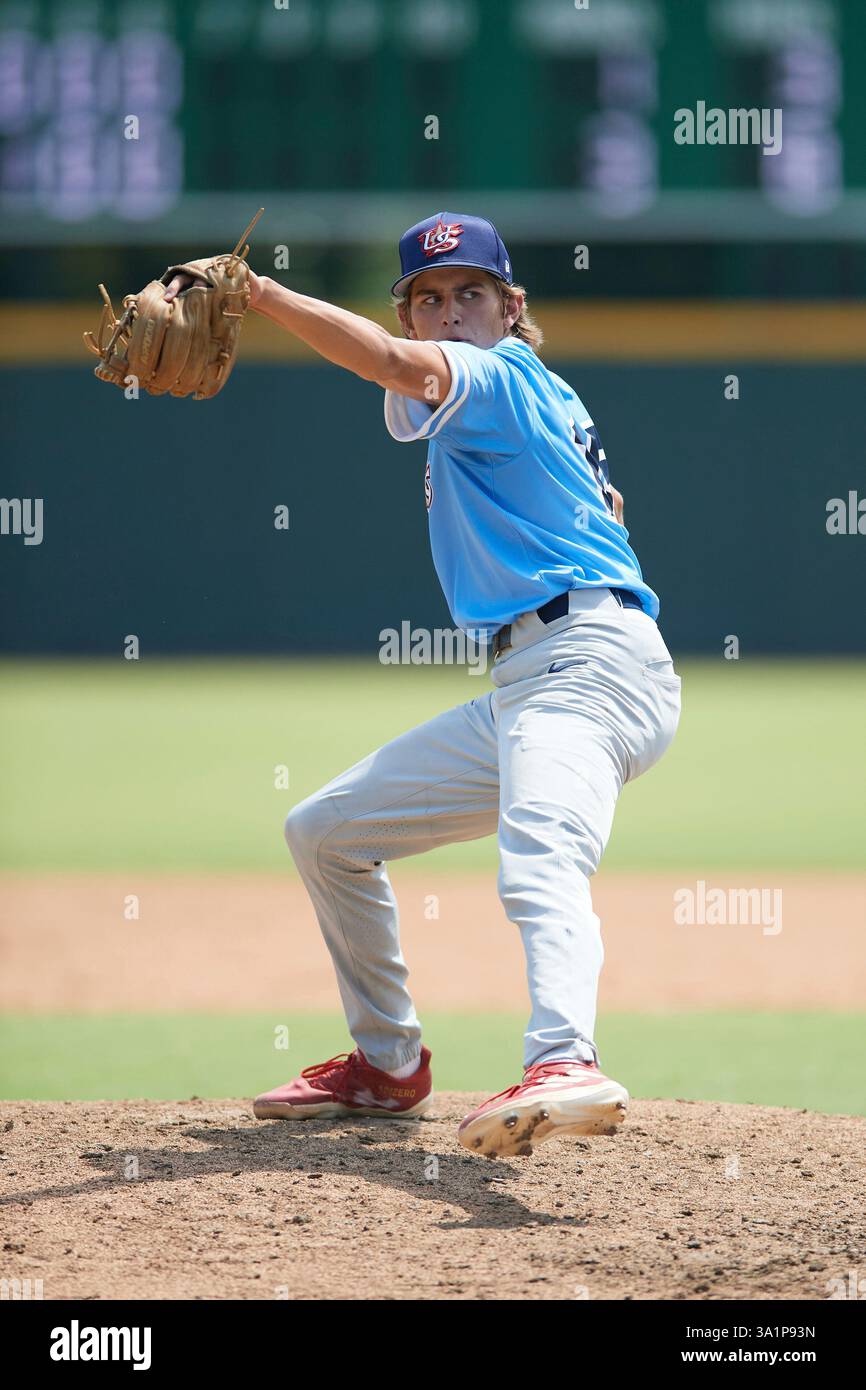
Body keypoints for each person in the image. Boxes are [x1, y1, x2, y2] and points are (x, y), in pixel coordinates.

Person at [165, 212, 681, 1159]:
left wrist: (267, 296)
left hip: (586, 660)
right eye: (428, 299)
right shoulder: (528, 394)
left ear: (510, 307)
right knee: (326, 832)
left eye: (469, 294)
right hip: (540, 672)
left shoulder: (495, 374)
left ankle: (565, 1057)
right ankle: (388, 1065)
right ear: (408, 307)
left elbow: (397, 368)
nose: (448, 314)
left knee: (540, 856)